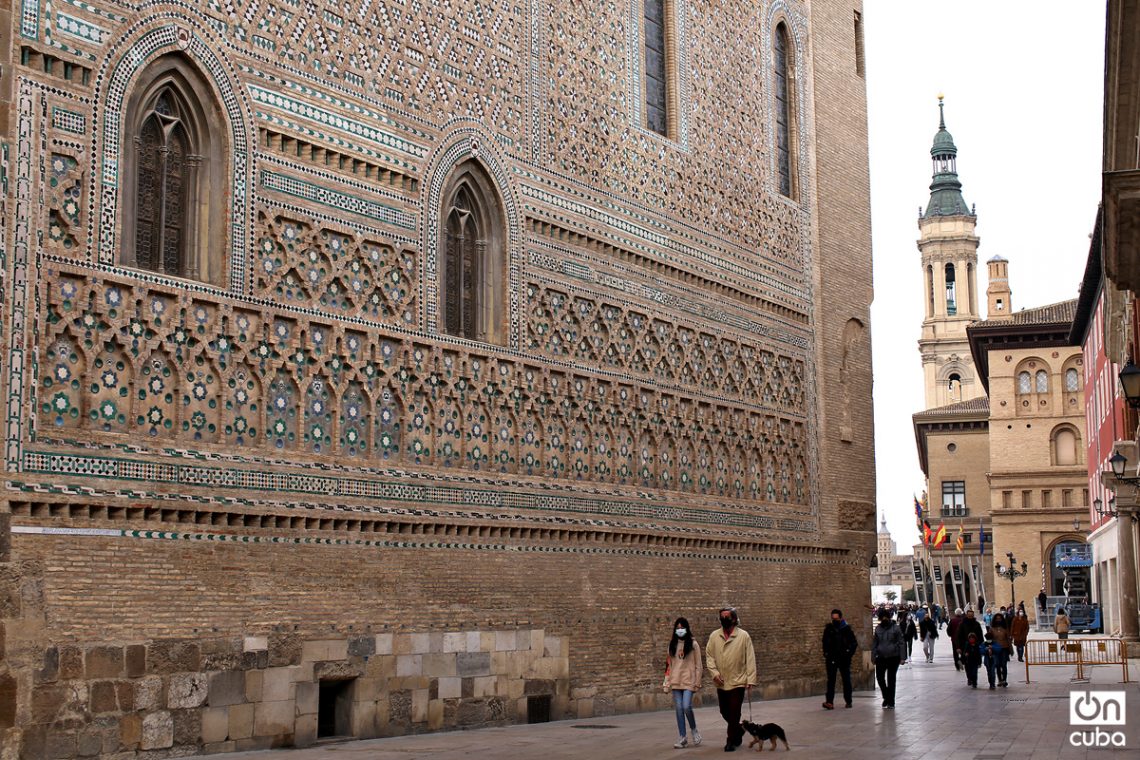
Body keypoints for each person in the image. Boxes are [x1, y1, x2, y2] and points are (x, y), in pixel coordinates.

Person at [706, 607, 757, 752]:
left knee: (734, 712)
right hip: (721, 682)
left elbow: (750, 658)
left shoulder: (743, 636)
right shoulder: (714, 636)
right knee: (724, 711)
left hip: (738, 681)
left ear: (734, 619)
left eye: (727, 617)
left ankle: (730, 741)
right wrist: (714, 673)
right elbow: (709, 656)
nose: (724, 619)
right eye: (722, 617)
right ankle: (739, 730)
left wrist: (750, 679)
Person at [663, 617, 703, 749]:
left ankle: (694, 730)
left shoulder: (693, 644)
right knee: (679, 709)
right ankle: (682, 737)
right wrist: (666, 683)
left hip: (689, 681)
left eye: (682, 628)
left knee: (686, 707)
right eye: (678, 628)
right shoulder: (672, 645)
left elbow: (698, 665)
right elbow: (669, 665)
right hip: (675, 681)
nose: (680, 630)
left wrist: (697, 682)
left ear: (687, 628)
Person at [821, 608, 858, 710]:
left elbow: (854, 643)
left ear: (841, 618)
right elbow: (824, 642)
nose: (834, 620)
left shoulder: (847, 629)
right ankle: (829, 702)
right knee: (831, 680)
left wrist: (848, 654)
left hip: (844, 658)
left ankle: (848, 701)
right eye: (833, 618)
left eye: (836, 619)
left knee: (846, 680)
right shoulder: (829, 629)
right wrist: (826, 653)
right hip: (831, 658)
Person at [871, 609, 906, 709]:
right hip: (881, 657)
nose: (884, 619)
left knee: (891, 679)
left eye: (886, 617)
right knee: (880, 678)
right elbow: (874, 644)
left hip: (893, 657)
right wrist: (873, 656)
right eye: (882, 618)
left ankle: (891, 702)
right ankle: (886, 696)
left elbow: (901, 643)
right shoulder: (878, 629)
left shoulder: (896, 628)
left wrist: (902, 657)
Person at [986, 612, 1011, 688]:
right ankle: (1000, 680)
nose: (998, 620)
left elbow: (1008, 638)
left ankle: (1004, 680)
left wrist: (1010, 649)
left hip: (1004, 648)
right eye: (997, 619)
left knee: (1003, 664)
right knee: (997, 664)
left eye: (1000, 618)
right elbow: (989, 639)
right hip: (995, 649)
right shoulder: (991, 629)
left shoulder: (1005, 628)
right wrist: (989, 647)